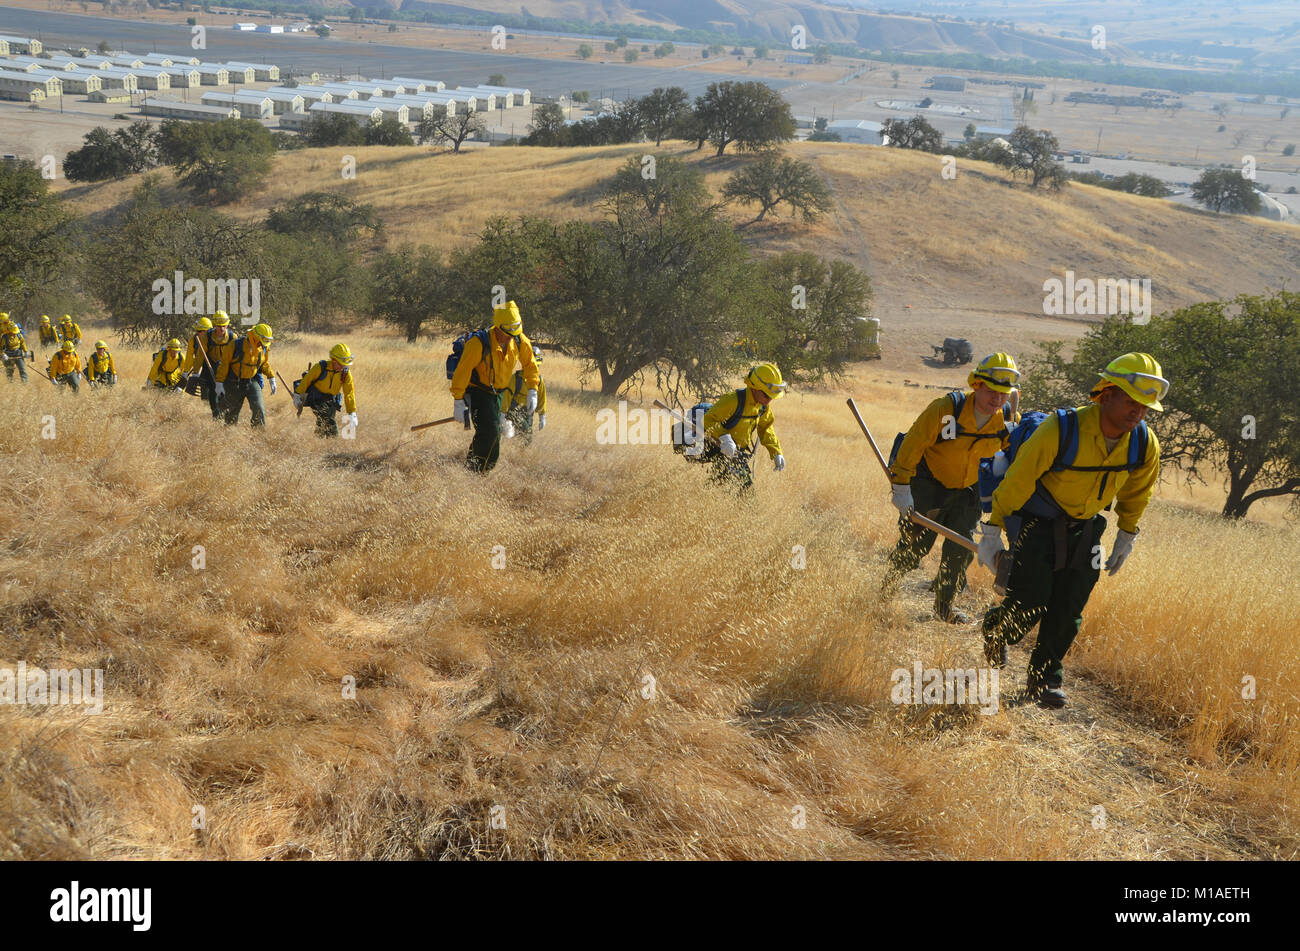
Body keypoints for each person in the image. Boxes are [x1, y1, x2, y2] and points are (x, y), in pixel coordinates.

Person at [978, 353, 1165, 708]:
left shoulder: (1144, 443)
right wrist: (992, 531)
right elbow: (1019, 480)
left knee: (1069, 609)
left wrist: (1127, 533)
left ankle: (1044, 681)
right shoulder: (1062, 429)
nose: (1138, 412)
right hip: (1038, 524)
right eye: (1131, 401)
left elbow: (1138, 492)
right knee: (1029, 603)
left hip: (1087, 529)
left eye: (1145, 406)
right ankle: (996, 628)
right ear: (1106, 394)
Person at [881, 352, 1021, 624]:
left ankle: (945, 607)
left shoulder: (1006, 418)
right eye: (992, 391)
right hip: (930, 484)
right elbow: (912, 445)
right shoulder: (947, 409)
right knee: (915, 544)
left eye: (1004, 393)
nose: (998, 399)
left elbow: (1012, 456)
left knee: (961, 551)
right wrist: (901, 488)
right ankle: (887, 586)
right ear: (977, 384)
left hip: (969, 490)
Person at [449, 301, 540, 473]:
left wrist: (533, 389)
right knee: (490, 433)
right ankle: (479, 471)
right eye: (507, 334)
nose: (510, 337)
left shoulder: (519, 339)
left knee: (489, 432)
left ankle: (473, 469)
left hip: (499, 394)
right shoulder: (478, 343)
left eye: (514, 334)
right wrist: (458, 400)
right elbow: (463, 371)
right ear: (497, 327)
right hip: (479, 392)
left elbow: (530, 364)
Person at [686, 362, 787, 491]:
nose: (769, 400)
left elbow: (766, 428)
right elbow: (707, 420)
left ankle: (702, 499)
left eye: (772, 396)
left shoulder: (762, 406)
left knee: (715, 487)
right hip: (720, 449)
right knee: (747, 493)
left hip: (738, 454)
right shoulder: (733, 400)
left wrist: (776, 452)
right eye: (767, 395)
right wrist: (724, 437)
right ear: (755, 388)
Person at [217, 322, 276, 427]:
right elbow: (224, 364)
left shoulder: (263, 347)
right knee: (232, 414)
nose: (262, 344)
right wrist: (219, 383)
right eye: (261, 341)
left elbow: (264, 363)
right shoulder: (235, 345)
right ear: (254, 337)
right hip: (234, 382)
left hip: (252, 381)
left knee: (259, 409)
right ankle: (229, 436)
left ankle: (259, 435)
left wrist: (271, 377)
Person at [293, 343, 357, 438]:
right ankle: (333, 444)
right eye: (340, 364)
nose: (343, 367)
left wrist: (352, 412)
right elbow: (306, 381)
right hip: (315, 398)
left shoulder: (345, 373)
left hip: (331, 400)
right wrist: (297, 395)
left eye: (345, 364)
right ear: (333, 360)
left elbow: (349, 393)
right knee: (329, 421)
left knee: (322, 422)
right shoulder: (320, 367)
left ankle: (318, 442)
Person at [187, 311, 239, 419]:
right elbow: (200, 355)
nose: (221, 329)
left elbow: (236, 357)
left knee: (226, 391)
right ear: (214, 325)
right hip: (210, 364)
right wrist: (196, 372)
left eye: (224, 326)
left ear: (227, 325)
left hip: (226, 367)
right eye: (219, 326)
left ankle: (227, 414)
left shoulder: (233, 337)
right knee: (212, 392)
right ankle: (216, 414)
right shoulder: (207, 337)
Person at [500, 342, 546, 442]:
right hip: (514, 410)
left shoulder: (539, 380)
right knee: (527, 435)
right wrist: (502, 414)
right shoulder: (516, 378)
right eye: (532, 366)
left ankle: (518, 454)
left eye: (537, 366)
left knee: (522, 438)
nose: (535, 369)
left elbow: (542, 398)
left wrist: (542, 416)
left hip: (529, 412)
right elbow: (506, 396)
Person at [1, 316, 28, 384]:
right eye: (13, 332)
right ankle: (11, 383)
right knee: (9, 370)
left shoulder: (19, 335)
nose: (15, 333)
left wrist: (26, 351)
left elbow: (23, 343)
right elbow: (1, 348)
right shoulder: (5, 337)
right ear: (9, 331)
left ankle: (25, 383)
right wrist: (3, 354)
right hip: (8, 355)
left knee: (22, 369)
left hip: (18, 354)